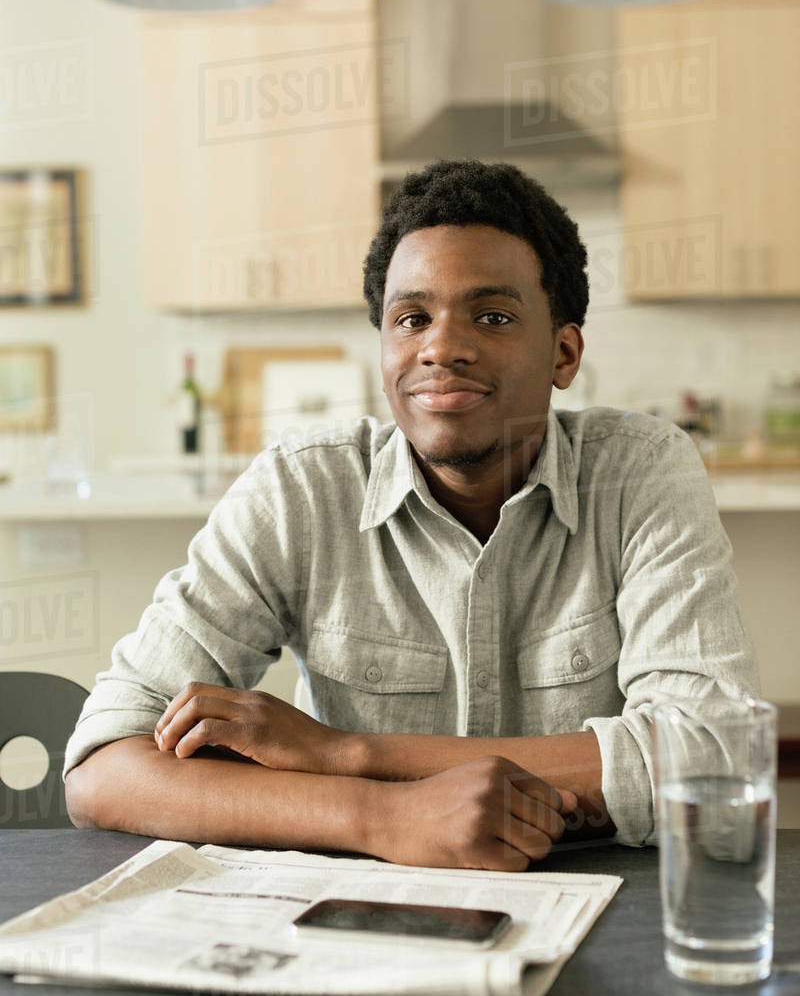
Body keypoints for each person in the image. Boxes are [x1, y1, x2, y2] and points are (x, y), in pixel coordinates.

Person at [64, 159, 759, 869]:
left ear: (564, 352)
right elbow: (104, 766)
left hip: (607, 904)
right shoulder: (302, 490)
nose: (441, 347)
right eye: (411, 318)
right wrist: (379, 815)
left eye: (492, 316)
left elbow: (713, 752)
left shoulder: (640, 472)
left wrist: (345, 753)